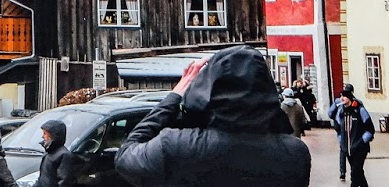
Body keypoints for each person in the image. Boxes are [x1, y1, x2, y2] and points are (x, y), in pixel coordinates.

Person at [115, 46, 310, 187]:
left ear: (206, 90)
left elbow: (124, 157)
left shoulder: (176, 147)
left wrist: (175, 95)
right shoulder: (294, 154)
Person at [330, 85, 374, 187]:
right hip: (348, 149)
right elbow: (337, 126)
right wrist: (342, 142)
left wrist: (361, 142)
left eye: (344, 96)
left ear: (349, 98)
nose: (341, 98)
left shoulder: (360, 110)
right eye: (341, 96)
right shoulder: (341, 111)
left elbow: (370, 129)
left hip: (360, 149)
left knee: (354, 174)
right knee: (358, 173)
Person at [36, 120, 79, 187]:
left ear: (53, 136)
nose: (43, 136)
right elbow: (42, 179)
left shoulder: (64, 155)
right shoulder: (48, 153)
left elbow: (65, 182)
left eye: (45, 133)